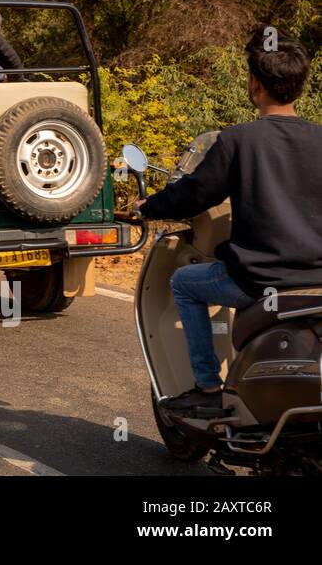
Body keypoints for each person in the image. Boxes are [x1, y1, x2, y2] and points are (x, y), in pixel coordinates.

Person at [133, 26, 322, 414]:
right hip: (315, 282)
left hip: (259, 280)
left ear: (255, 85)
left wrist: (149, 206)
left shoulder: (239, 140)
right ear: (300, 86)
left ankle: (206, 387)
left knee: (184, 283)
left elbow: (196, 194)